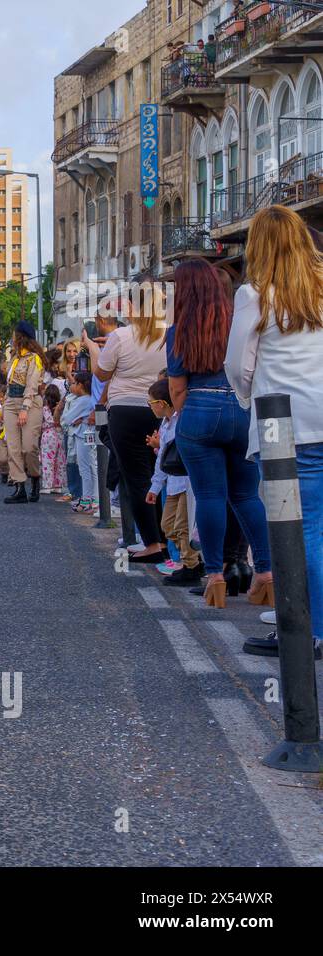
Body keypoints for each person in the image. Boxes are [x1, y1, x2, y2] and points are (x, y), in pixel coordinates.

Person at [227, 205, 323, 658]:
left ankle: (308, 632)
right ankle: (306, 618)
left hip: (282, 428)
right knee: (316, 529)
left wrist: (251, 396)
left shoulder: (254, 294)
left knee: (294, 531)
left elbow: (237, 366)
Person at [167, 257, 273, 607]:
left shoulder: (179, 330)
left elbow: (177, 391)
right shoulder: (238, 320)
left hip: (198, 408)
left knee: (210, 496)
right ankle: (266, 574)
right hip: (242, 409)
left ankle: (215, 578)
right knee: (246, 496)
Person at [84, 290, 169, 562]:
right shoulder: (167, 334)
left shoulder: (121, 336)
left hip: (124, 410)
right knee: (160, 475)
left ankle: (152, 543)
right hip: (158, 408)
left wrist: (95, 349)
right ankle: (167, 540)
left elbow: (101, 372)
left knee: (136, 478)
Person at [143, 378, 203, 586]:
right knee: (168, 526)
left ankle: (191, 566)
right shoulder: (166, 423)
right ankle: (193, 559)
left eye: (150, 403)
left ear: (161, 403)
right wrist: (155, 486)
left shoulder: (180, 422)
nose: (150, 407)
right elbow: (162, 458)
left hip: (186, 483)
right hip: (173, 483)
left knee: (182, 526)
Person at [1, 320, 46, 504]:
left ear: (20, 336)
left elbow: (31, 384)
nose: (12, 337)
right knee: (13, 447)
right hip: (11, 403)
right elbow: (10, 382)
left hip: (30, 403)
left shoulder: (34, 358)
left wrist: (25, 408)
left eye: (14, 334)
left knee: (29, 447)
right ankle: (19, 487)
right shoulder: (15, 357)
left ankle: (35, 478)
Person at [64, 371, 98, 514]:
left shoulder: (83, 400)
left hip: (83, 434)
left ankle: (89, 499)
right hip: (86, 433)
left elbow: (66, 418)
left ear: (81, 385)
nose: (73, 386)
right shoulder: (90, 399)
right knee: (91, 467)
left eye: (75, 383)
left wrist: (79, 419)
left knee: (86, 468)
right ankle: (92, 499)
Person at [39, 383, 67, 496]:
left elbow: (44, 421)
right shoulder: (61, 407)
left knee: (47, 461)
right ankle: (58, 485)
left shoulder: (44, 408)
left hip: (48, 434)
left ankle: (47, 485)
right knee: (60, 461)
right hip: (60, 433)